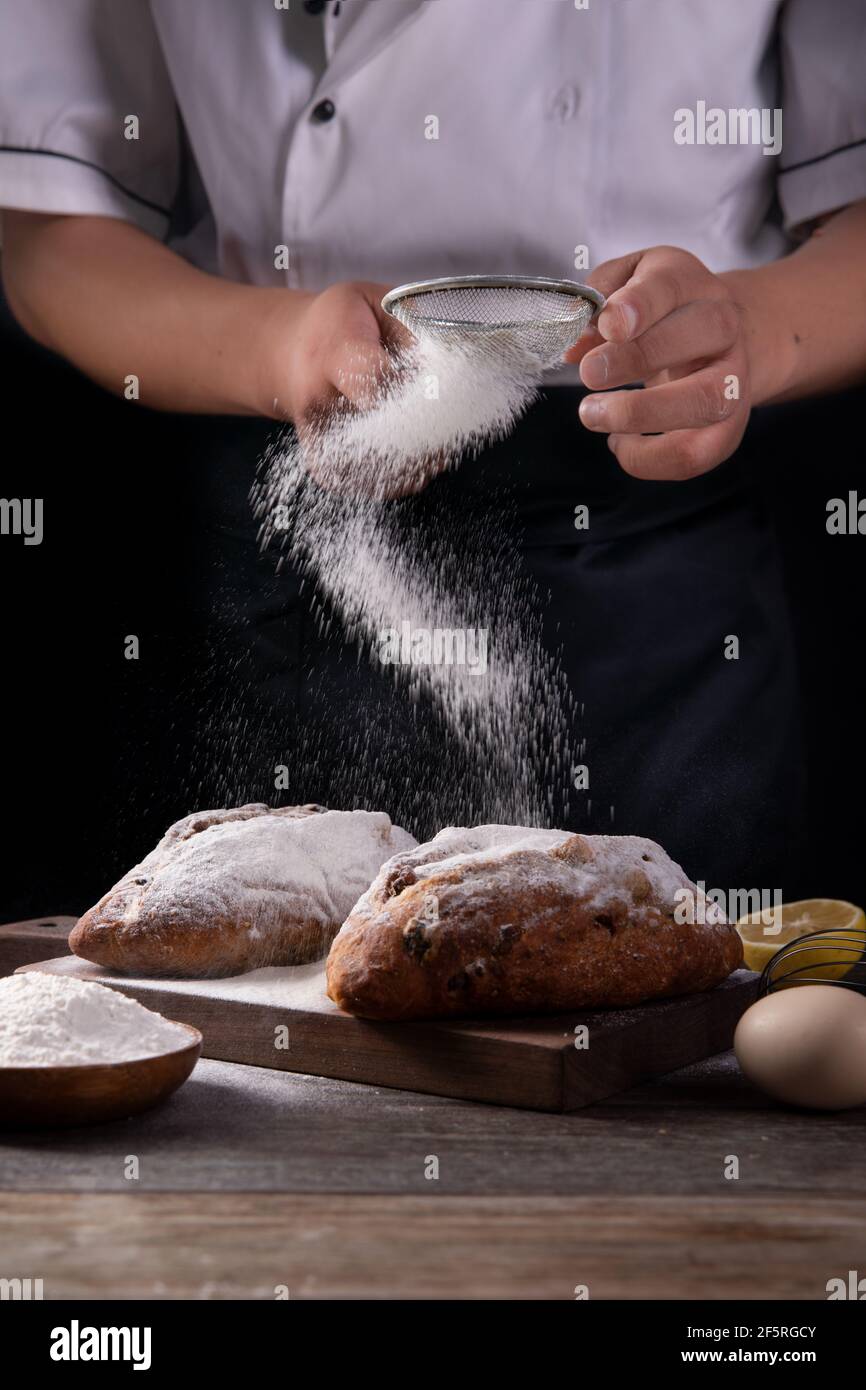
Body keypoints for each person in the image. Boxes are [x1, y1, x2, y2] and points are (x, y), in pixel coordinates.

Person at [2, 0, 865, 896]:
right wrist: (279, 348)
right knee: (285, 1003)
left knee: (690, 1003)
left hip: (651, 563)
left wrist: (748, 334)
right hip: (307, 529)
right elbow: (53, 229)